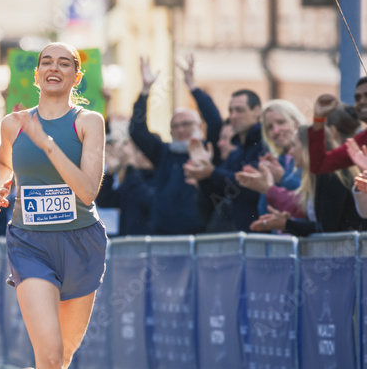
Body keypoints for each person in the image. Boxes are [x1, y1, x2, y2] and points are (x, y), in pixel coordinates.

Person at [0, 42, 107, 369]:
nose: (54, 68)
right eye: (47, 62)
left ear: (76, 77)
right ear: (34, 74)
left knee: (61, 359)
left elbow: (87, 189)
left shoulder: (88, 123)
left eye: (65, 63)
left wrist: (47, 143)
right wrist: (2, 183)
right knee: (52, 357)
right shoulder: (12, 124)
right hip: (30, 243)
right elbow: (3, 162)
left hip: (81, 244)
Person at [129, 55, 221, 234]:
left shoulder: (209, 150)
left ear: (199, 127)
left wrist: (193, 87)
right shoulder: (163, 153)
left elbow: (216, 122)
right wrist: (146, 90)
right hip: (162, 235)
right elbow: (137, 131)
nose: (180, 129)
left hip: (199, 235)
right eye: (175, 126)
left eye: (186, 124)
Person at [249, 125, 364, 236]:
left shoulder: (332, 174)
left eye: (293, 145)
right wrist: (286, 222)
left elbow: (326, 229)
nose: (290, 152)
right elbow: (319, 226)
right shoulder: (317, 177)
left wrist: (286, 224)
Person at [184, 89, 267, 232]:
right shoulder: (236, 153)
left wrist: (211, 172)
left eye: (240, 110)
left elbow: (249, 186)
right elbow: (216, 197)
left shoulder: (264, 147)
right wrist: (202, 174)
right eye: (231, 110)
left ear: (257, 111)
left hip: (255, 236)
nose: (233, 115)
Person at [307, 79, 367, 174]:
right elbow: (319, 166)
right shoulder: (361, 140)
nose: (362, 101)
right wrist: (319, 118)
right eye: (357, 98)